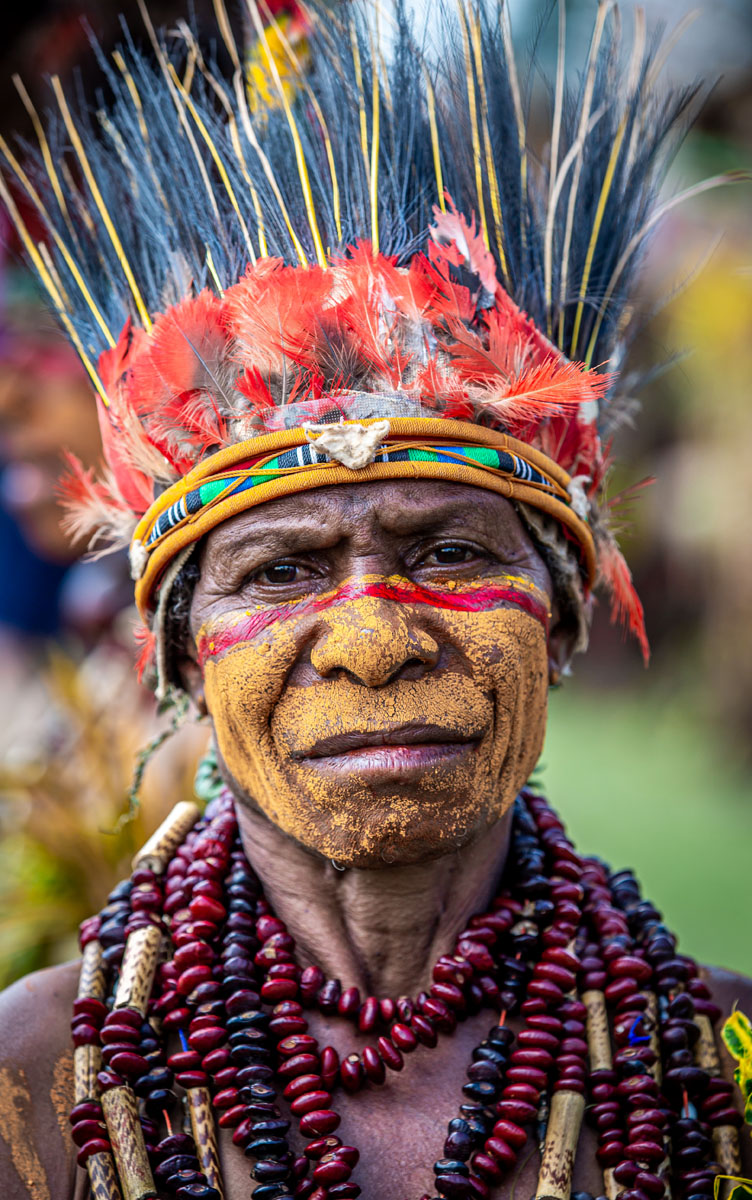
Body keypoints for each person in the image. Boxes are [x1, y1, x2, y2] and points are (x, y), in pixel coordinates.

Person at [0, 3, 749, 1198]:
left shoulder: (719, 1069)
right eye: (283, 571)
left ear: (557, 619)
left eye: (449, 552)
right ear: (180, 660)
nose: (369, 639)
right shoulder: (30, 1083)